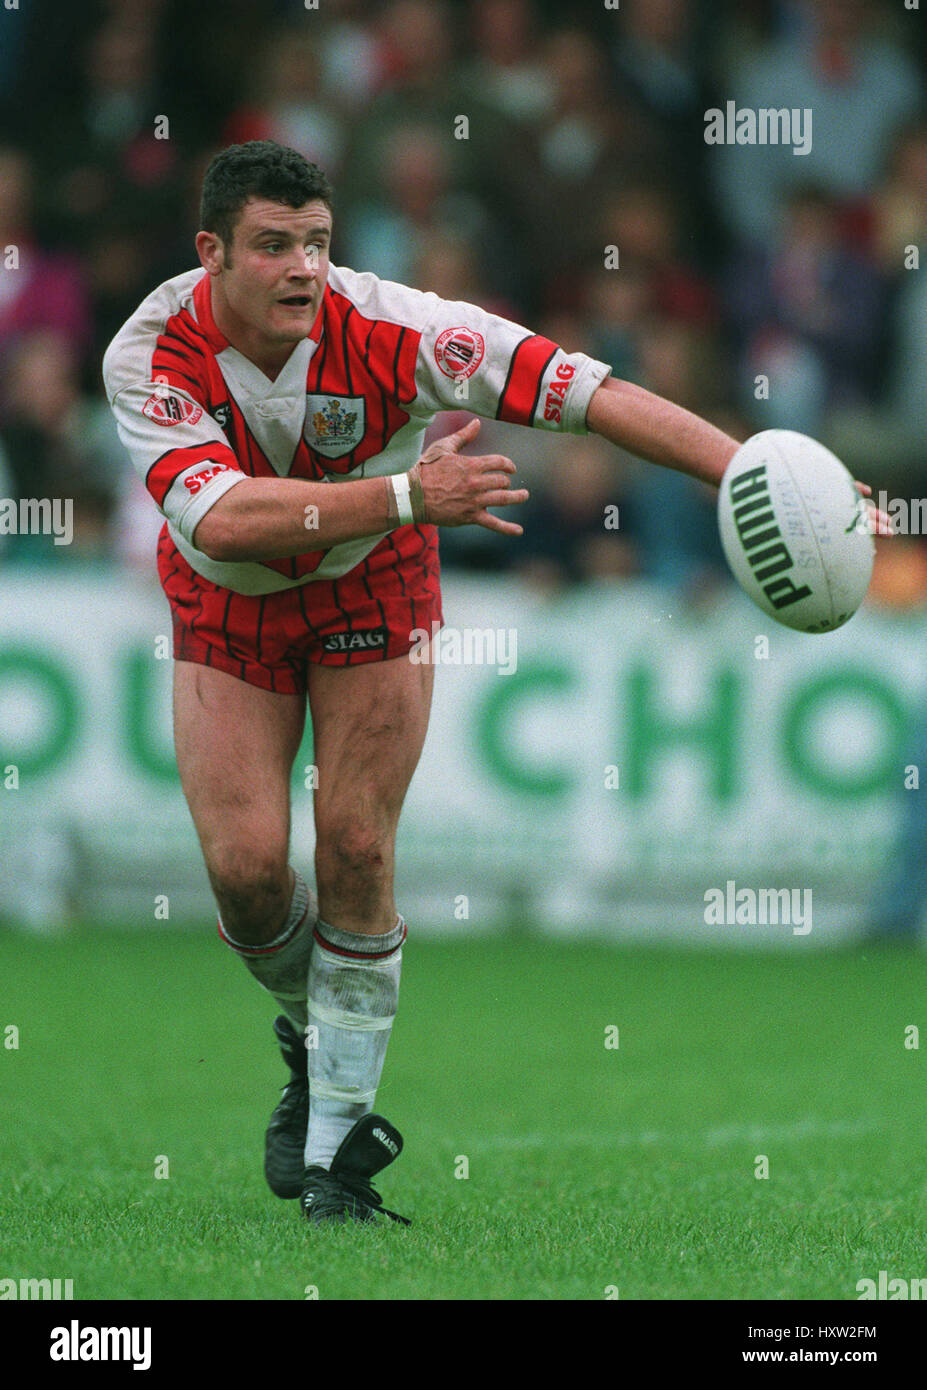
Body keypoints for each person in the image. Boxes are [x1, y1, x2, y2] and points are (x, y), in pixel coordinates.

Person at [102, 140, 878, 1227]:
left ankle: (336, 1159)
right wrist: (409, 495)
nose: (301, 269)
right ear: (211, 253)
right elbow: (220, 518)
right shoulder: (149, 350)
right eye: (273, 246)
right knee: (244, 874)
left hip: (372, 588)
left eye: (317, 245)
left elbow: (593, 394)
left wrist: (763, 475)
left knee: (359, 846)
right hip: (228, 593)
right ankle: (318, 1031)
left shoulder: (400, 327)